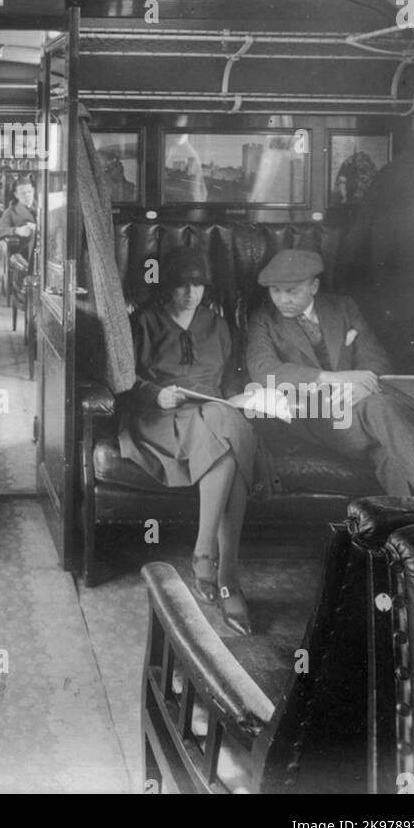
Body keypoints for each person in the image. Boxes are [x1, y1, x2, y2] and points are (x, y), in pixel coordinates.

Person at [246, 250, 414, 500]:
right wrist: (332, 378)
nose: (282, 299)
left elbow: (377, 361)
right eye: (275, 291)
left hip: (360, 409)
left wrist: (365, 387)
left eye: (292, 291)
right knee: (381, 406)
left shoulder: (343, 307)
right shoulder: (263, 320)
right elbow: (264, 369)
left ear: (314, 286)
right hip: (312, 414)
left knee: (390, 455)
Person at [118, 247, 257, 635]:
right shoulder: (143, 323)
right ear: (165, 287)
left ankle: (208, 559)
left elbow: (229, 377)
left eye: (198, 284)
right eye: (182, 284)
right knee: (230, 440)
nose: (191, 292)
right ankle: (225, 573)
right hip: (163, 417)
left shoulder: (218, 324)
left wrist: (242, 395)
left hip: (212, 411)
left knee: (228, 425)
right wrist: (153, 393)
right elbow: (124, 380)